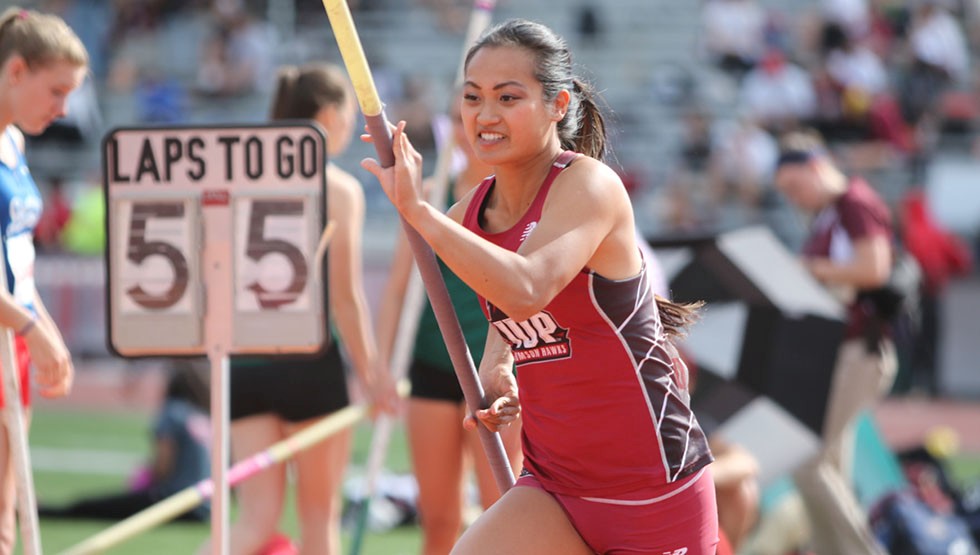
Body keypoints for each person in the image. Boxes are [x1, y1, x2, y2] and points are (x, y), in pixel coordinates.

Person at [363, 19, 718, 555]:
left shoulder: (589, 185)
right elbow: (504, 307)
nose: (485, 115)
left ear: (558, 104)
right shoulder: (469, 214)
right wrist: (498, 366)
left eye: (508, 97)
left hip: (651, 485)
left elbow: (527, 288)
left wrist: (418, 211)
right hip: (554, 486)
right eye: (472, 97)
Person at [197, 62, 397, 555]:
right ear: (328, 115)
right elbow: (345, 297)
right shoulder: (338, 188)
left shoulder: (237, 179)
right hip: (309, 361)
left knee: (254, 521)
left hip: (245, 360)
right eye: (348, 116)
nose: (350, 127)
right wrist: (373, 375)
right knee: (318, 519)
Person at [375, 98, 523, 555]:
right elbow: (398, 289)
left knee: (503, 513)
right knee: (439, 519)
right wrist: (381, 368)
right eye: (460, 117)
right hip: (432, 364)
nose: (470, 128)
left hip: (497, 371)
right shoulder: (429, 195)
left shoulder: (516, 197)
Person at [773, 129, 897, 555]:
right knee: (830, 467)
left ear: (815, 166)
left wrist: (809, 269)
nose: (793, 198)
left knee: (807, 461)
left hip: (860, 349)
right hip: (840, 349)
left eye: (794, 186)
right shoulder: (831, 212)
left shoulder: (854, 203)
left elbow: (875, 268)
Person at [0, 7, 83, 553]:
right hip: (11, 331)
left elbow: (17, 257)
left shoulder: (15, 143)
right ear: (15, 71)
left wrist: (44, 330)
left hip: (13, 338)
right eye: (55, 91)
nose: (63, 109)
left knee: (5, 519)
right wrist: (31, 328)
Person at [39, 361, 210, 522]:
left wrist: (146, 480)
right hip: (203, 505)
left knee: (99, 506)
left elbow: (163, 466)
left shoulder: (172, 412)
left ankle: (47, 511)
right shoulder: (201, 416)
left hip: (176, 501)